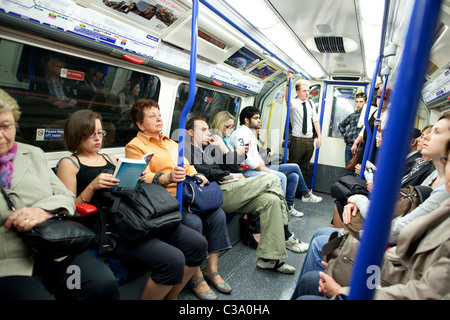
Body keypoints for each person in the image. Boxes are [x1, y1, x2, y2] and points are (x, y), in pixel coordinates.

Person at [291, 114, 450, 299]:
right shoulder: (432, 178)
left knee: (321, 244)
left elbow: (395, 229)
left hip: (394, 257)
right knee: (327, 227)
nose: (426, 137)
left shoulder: (440, 188)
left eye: (437, 132)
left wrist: (360, 200)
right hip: (394, 248)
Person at [56, 109, 207, 300]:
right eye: (90, 134)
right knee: (173, 260)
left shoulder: (109, 158)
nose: (97, 138)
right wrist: (92, 187)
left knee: (198, 245)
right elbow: (67, 207)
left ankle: (171, 296)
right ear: (77, 134)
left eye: (100, 133)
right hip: (111, 227)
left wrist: (139, 177)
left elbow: (123, 189)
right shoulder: (69, 163)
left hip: (134, 216)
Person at [0, 90, 119, 300]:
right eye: (91, 133)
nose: (1, 135)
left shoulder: (33, 154)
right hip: (9, 260)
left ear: (16, 125)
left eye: (6, 126)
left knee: (100, 282)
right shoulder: (69, 162)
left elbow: (64, 195)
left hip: (53, 247)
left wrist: (42, 210)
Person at [124, 99, 230, 300]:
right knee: (193, 222)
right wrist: (165, 177)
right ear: (139, 124)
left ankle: (212, 270)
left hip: (187, 195)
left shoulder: (170, 142)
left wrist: (197, 174)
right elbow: (141, 176)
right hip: (166, 200)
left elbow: (187, 165)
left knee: (217, 215)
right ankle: (196, 278)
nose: (158, 119)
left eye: (159, 114)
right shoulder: (135, 146)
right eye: (152, 116)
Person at [186, 116, 309, 273]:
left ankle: (268, 259)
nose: (207, 133)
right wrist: (226, 175)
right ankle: (285, 233)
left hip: (229, 187)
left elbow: (235, 168)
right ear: (191, 132)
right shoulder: (186, 150)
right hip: (215, 193)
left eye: (208, 130)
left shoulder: (210, 149)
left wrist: (223, 147)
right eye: (202, 130)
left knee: (270, 200)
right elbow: (205, 172)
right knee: (272, 180)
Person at [230, 106, 322, 217]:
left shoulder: (251, 134)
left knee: (293, 175)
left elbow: (255, 155)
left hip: (257, 167)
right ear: (246, 120)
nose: (259, 120)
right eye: (256, 118)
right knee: (281, 177)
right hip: (246, 170)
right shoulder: (240, 134)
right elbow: (247, 160)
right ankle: (279, 213)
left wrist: (263, 163)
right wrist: (265, 169)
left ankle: (289, 206)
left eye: (259, 118)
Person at [285, 73, 322, 179]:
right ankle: (290, 192)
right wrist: (288, 83)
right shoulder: (294, 103)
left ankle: (301, 193)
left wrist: (319, 137)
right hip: (297, 141)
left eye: (308, 90)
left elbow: (315, 121)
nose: (307, 93)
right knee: (293, 167)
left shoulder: (311, 103)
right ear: (297, 92)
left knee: (304, 168)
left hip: (309, 141)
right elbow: (287, 100)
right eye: (304, 91)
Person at [352, 87, 391, 165]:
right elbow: (364, 129)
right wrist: (356, 142)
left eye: (383, 99)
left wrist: (380, 130)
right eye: (378, 98)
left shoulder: (390, 115)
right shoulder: (372, 111)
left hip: (376, 148)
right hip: (366, 145)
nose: (380, 100)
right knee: (359, 164)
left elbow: (389, 135)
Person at [338, 93, 366, 175]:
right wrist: (345, 134)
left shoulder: (367, 116)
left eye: (361, 102)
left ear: (365, 103)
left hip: (360, 147)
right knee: (348, 169)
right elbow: (341, 125)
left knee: (357, 171)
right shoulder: (353, 115)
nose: (358, 104)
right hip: (349, 146)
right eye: (356, 101)